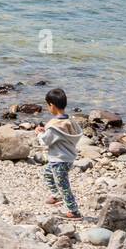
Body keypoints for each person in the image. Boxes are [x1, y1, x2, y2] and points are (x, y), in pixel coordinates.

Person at [37, 88, 82, 219]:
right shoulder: (70, 121)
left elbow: (45, 141)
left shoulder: (54, 125)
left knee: (64, 186)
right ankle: (56, 196)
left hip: (59, 159)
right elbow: (62, 135)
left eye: (47, 105)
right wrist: (46, 130)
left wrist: (40, 133)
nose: (47, 108)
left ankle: (74, 211)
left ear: (52, 105)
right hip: (68, 158)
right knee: (47, 173)